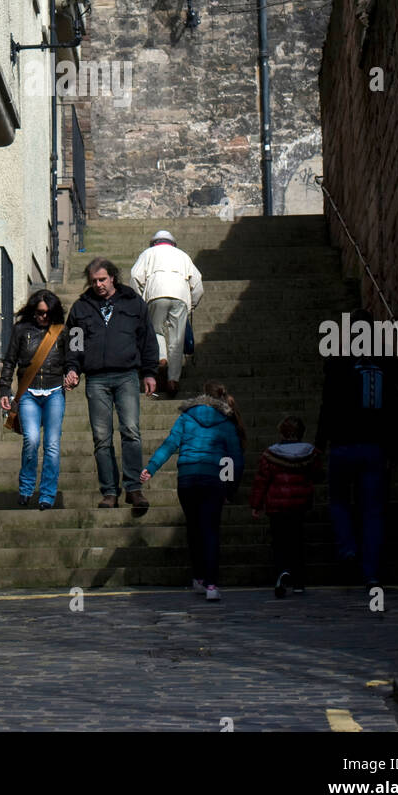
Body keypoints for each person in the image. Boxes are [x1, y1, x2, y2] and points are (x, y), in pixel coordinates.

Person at [315, 307, 398, 594]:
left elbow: (328, 403)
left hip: (342, 446)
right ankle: (371, 574)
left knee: (338, 500)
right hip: (376, 447)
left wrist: (319, 443)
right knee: (373, 511)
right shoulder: (384, 358)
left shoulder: (337, 359)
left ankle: (348, 548)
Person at [64, 258, 159, 510]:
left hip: (127, 375)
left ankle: (134, 489)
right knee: (101, 438)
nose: (98, 285)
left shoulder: (133, 302)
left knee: (131, 431)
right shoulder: (80, 308)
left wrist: (149, 373)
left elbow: (148, 339)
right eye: (94, 281)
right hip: (96, 379)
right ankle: (109, 492)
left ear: (113, 278)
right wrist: (72, 368)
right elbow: (74, 344)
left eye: (102, 279)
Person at [140, 381, 245, 601]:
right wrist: (230, 488)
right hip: (212, 479)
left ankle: (197, 577)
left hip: (187, 479)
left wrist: (151, 467)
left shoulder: (187, 417)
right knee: (210, 531)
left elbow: (170, 444)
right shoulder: (226, 422)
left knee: (194, 528)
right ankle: (211, 585)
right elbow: (234, 459)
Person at [0, 289, 68, 510]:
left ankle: (47, 494)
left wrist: (72, 372)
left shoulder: (62, 331)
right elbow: (10, 361)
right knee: (31, 440)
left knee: (52, 444)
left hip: (55, 391)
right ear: (32, 311)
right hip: (28, 393)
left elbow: (72, 358)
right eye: (39, 313)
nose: (43, 317)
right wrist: (4, 389)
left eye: (47, 314)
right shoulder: (20, 330)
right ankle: (26, 489)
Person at [250, 415, 323, 598]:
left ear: (281, 432)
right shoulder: (309, 453)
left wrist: (256, 504)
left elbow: (262, 481)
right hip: (299, 505)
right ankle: (298, 581)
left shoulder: (270, 454)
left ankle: (282, 572)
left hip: (276, 506)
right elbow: (318, 474)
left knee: (280, 541)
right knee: (297, 541)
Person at [130, 230, 204, 397]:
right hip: (181, 297)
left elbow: (135, 276)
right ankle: (173, 380)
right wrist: (191, 305)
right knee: (177, 340)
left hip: (156, 294)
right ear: (173, 243)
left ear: (154, 243)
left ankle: (161, 358)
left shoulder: (148, 253)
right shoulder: (183, 256)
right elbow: (198, 282)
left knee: (156, 330)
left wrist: (140, 299)